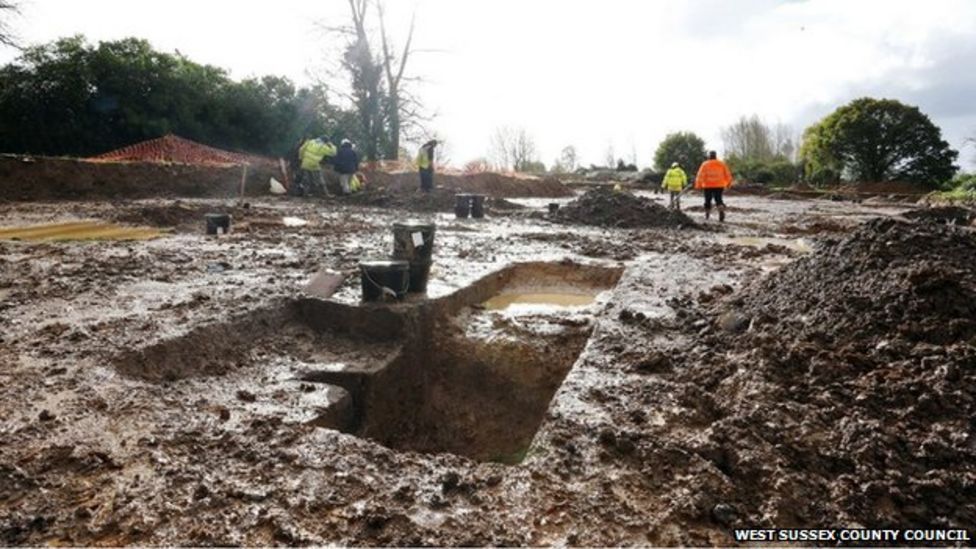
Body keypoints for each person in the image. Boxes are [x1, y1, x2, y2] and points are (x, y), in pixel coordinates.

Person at [694, 151, 733, 221]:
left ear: (709, 156)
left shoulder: (705, 164)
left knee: (707, 200)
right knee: (718, 199)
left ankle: (707, 215)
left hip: (707, 185)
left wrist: (698, 185)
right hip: (719, 185)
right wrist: (729, 183)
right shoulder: (721, 164)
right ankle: (721, 210)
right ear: (715, 156)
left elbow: (700, 176)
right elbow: (727, 174)